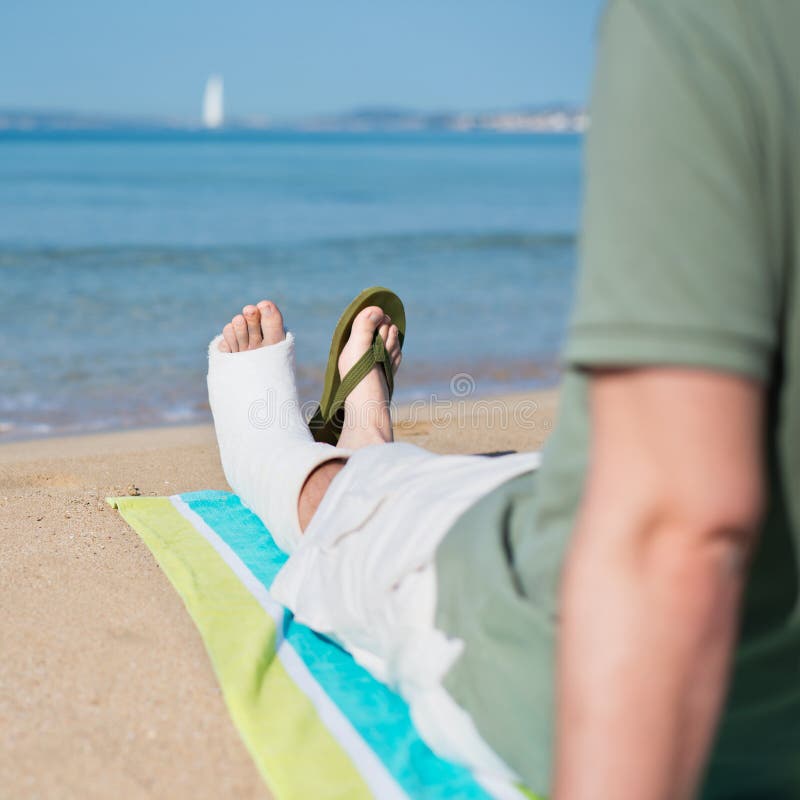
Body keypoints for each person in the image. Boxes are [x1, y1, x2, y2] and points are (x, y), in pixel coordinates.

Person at [208, 2, 800, 797]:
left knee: (380, 510)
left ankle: (307, 457)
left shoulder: (712, 22)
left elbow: (678, 523)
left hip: (605, 679)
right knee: (522, 475)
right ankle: (369, 437)